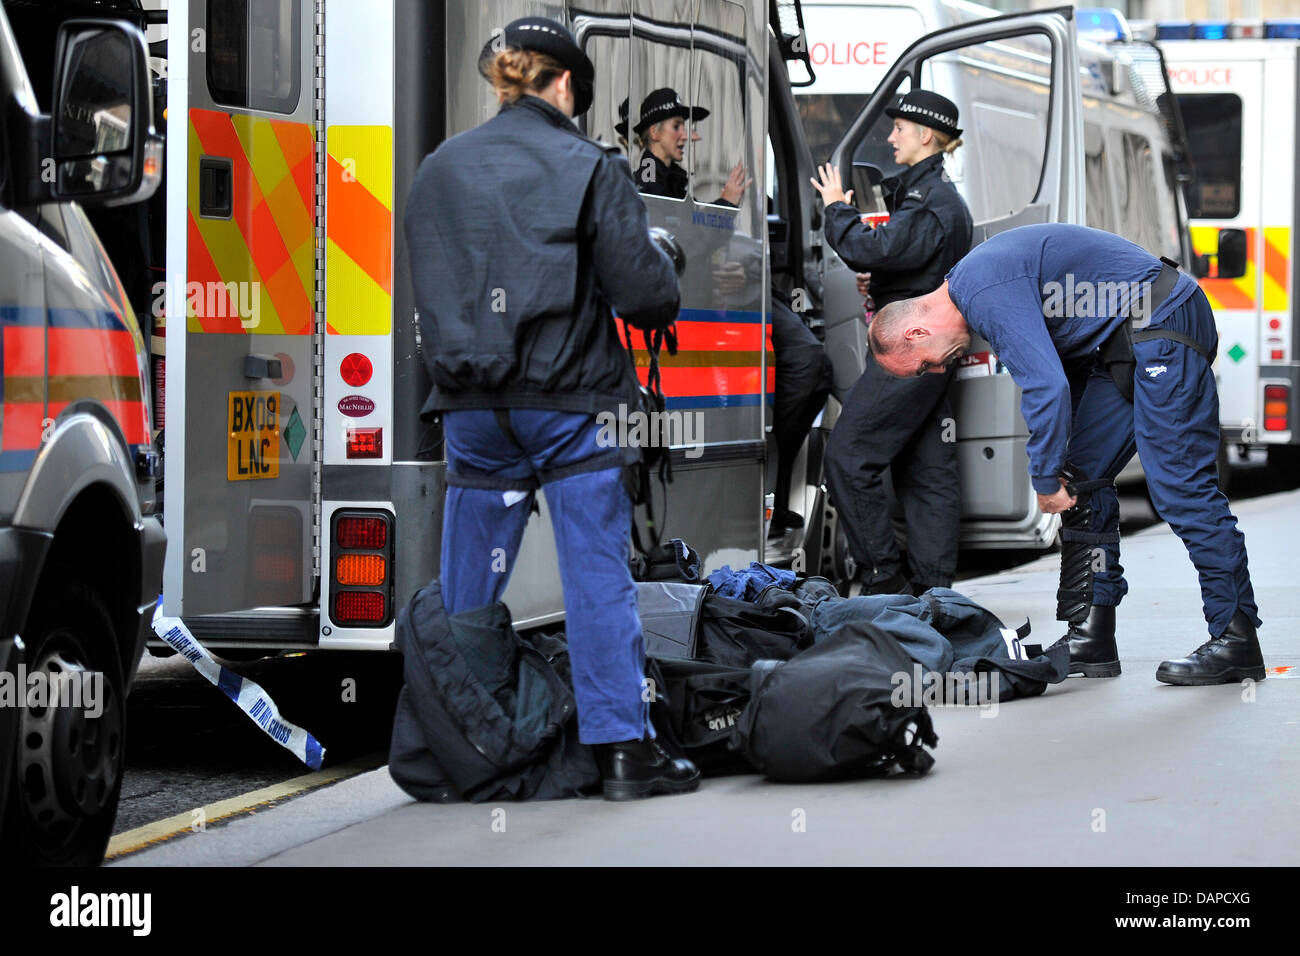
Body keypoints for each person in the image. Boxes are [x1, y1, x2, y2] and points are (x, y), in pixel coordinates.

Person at [403, 16, 700, 799]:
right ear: (565, 84)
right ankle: (622, 754)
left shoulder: (438, 169)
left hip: (472, 409)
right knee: (595, 574)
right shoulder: (586, 165)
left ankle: (452, 747)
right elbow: (645, 295)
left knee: (468, 583)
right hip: (570, 407)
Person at [866, 222, 1265, 686]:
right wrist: (1060, 471)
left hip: (1164, 317)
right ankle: (1090, 635)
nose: (938, 369)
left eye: (925, 364)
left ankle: (1237, 639)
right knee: (1084, 477)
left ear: (916, 332)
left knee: (1181, 485)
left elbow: (1046, 386)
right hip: (1126, 336)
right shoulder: (977, 288)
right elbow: (1061, 368)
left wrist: (1043, 478)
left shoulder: (982, 290)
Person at [809, 90, 972, 594]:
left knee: (848, 455)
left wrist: (836, 208)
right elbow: (911, 266)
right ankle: (933, 594)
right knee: (927, 471)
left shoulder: (931, 203)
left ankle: (884, 576)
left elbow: (868, 246)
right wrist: (879, 284)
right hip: (931, 347)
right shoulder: (934, 199)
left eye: (899, 127)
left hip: (910, 350)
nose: (891, 136)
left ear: (926, 136)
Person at [617, 88, 749, 204]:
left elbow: (692, 223)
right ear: (654, 132)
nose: (685, 136)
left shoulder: (672, 182)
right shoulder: (648, 183)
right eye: (676, 127)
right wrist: (726, 204)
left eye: (683, 127)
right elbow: (676, 227)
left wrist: (726, 202)